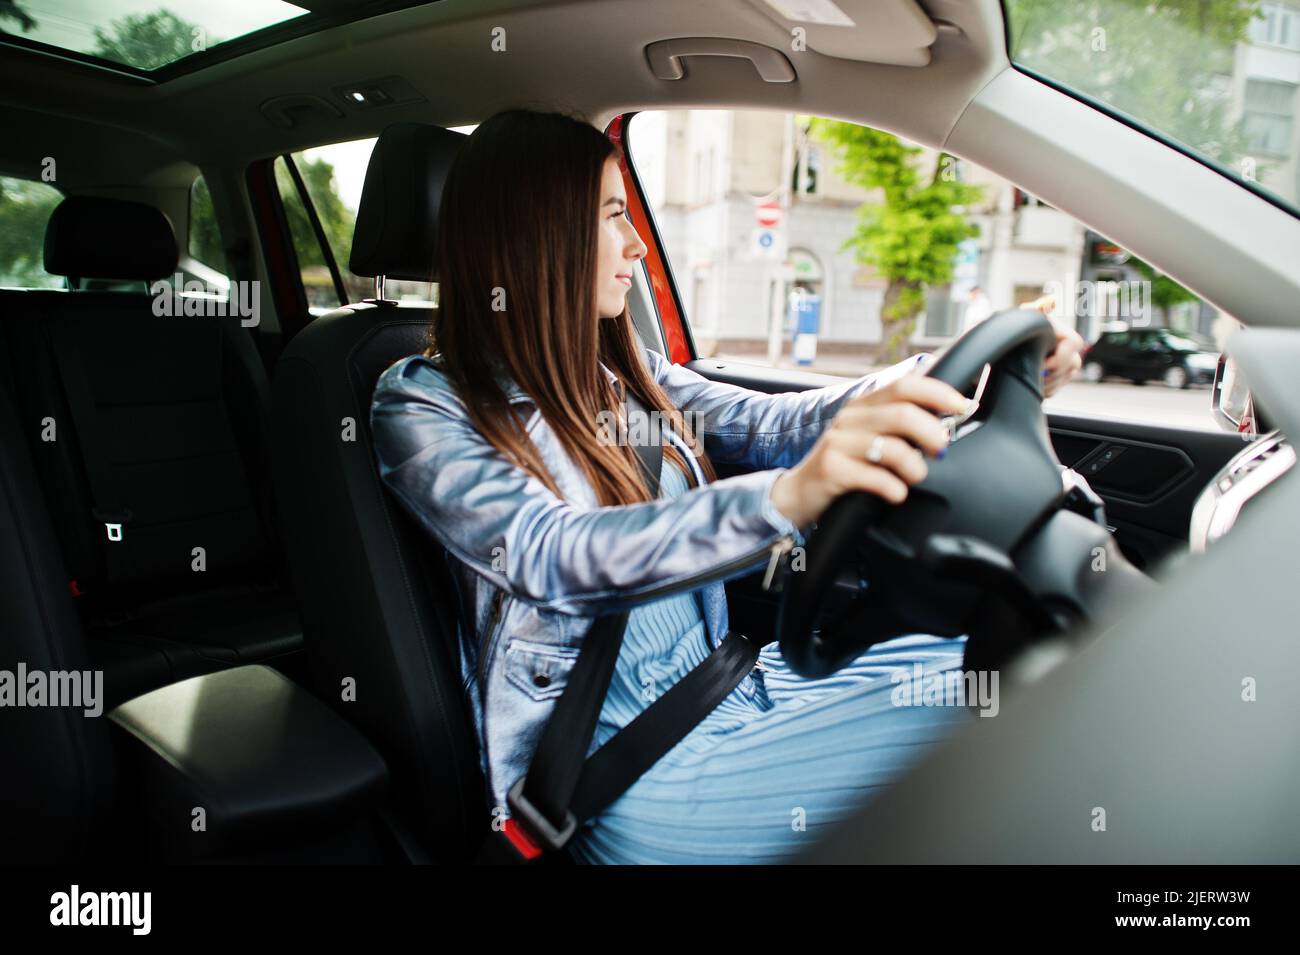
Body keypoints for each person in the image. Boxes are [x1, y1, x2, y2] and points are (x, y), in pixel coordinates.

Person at [370, 108, 1085, 864]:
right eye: (615, 215)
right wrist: (782, 499)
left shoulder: (622, 374)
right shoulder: (422, 402)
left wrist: (954, 369)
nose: (636, 244)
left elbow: (774, 424)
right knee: (1022, 705)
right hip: (627, 763)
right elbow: (550, 555)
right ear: (539, 229)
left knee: (1023, 651)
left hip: (732, 684)